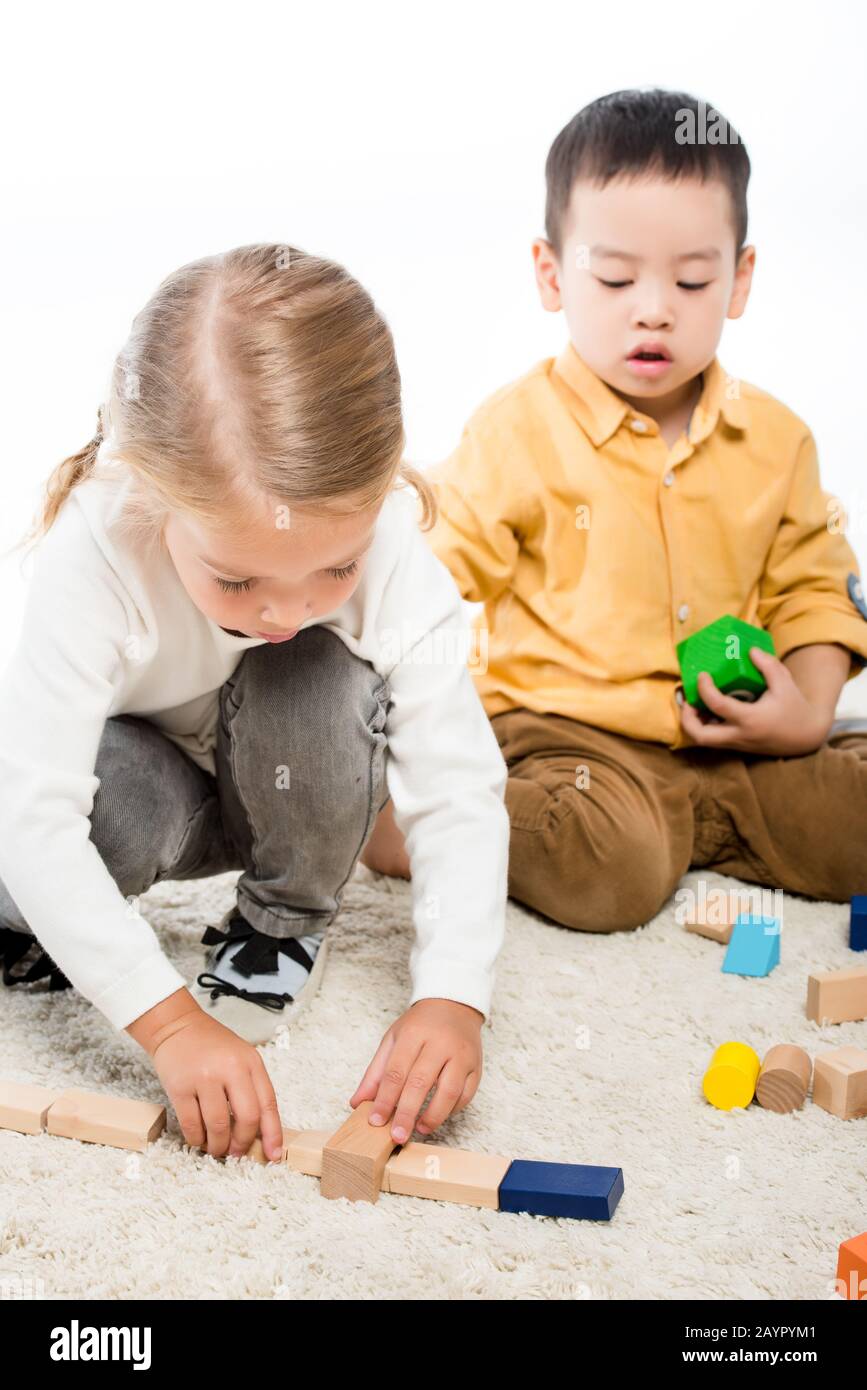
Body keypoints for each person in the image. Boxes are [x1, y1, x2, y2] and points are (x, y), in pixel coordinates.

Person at [0, 243, 509, 1162]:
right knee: (92, 817)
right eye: (236, 579)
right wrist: (164, 1023)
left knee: (318, 671)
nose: (284, 610)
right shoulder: (97, 545)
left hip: (275, 794)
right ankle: (29, 934)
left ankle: (277, 929)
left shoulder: (389, 540)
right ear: (152, 490)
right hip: (140, 796)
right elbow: (33, 815)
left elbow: (458, 786)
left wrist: (452, 995)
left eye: (335, 568)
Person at [361, 88, 867, 932]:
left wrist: (802, 712)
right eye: (616, 276)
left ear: (738, 280)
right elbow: (427, 573)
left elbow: (814, 587)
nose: (653, 306)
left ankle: (706, 825)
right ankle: (406, 825)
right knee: (608, 868)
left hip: (739, 741)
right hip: (570, 742)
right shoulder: (517, 430)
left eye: (692, 278)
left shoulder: (777, 440)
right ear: (553, 274)